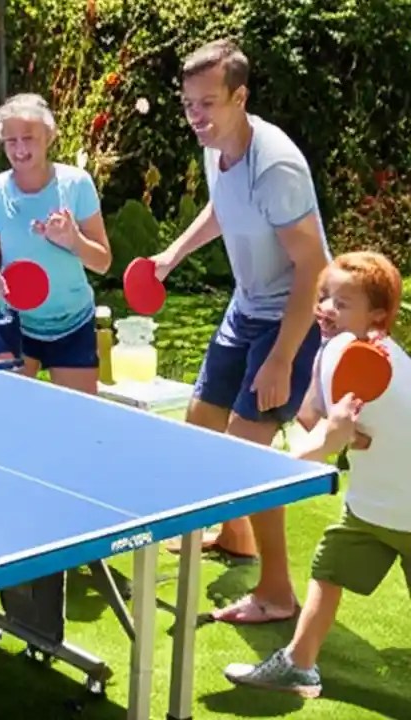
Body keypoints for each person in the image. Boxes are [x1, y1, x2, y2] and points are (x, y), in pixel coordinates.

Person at [150, 38, 331, 624]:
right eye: (188, 105)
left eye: (208, 104)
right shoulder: (215, 147)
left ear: (240, 97)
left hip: (291, 316)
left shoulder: (274, 165)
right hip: (244, 307)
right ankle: (235, 538)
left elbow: (314, 267)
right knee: (201, 424)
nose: (197, 117)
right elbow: (221, 209)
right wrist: (171, 255)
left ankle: (277, 591)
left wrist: (282, 359)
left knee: (248, 450)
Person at [224, 250, 409, 697]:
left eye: (342, 304)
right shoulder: (352, 349)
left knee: (329, 570)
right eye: (324, 296)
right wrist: (335, 433)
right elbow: (313, 414)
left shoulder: (355, 359)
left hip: (396, 505)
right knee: (329, 568)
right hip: (375, 504)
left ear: (378, 317)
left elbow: (318, 447)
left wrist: (325, 442)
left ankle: (298, 664)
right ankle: (299, 663)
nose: (326, 308)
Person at [0, 93, 112, 394]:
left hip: (73, 321)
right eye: (12, 141)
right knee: (11, 419)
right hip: (14, 321)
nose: (20, 149)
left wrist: (74, 240)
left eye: (29, 138)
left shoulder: (77, 184)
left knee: (80, 422)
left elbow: (103, 262)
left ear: (49, 136)